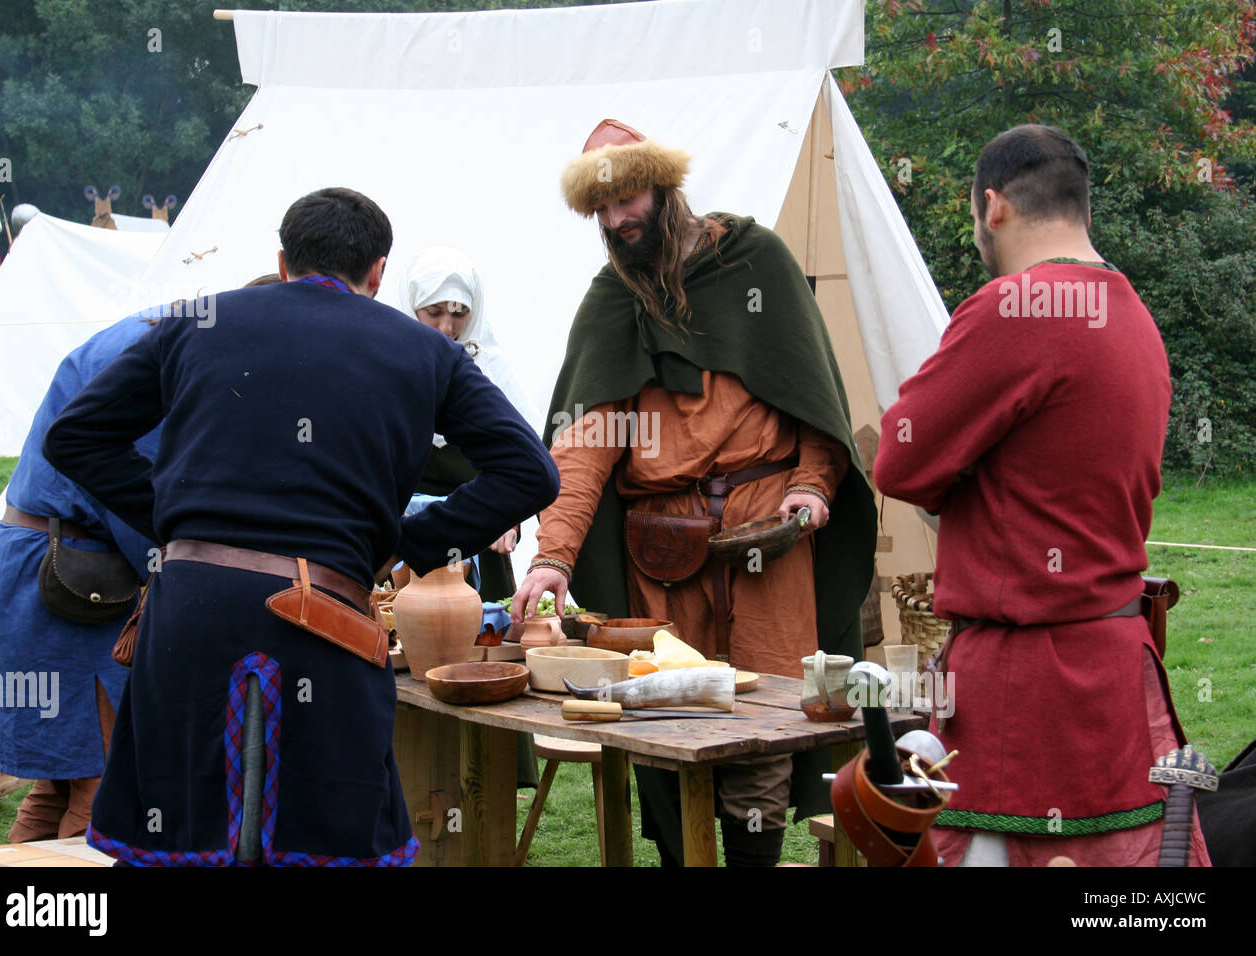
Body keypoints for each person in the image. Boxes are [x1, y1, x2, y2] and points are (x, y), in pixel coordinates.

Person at [44, 187, 559, 866]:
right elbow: (532, 474)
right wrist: (402, 544)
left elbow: (74, 436)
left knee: (179, 839)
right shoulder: (426, 351)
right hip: (326, 617)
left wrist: (182, 529)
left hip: (191, 617)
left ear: (282, 261)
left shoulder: (196, 322)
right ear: (379, 272)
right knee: (328, 844)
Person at [511, 119, 876, 866]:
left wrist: (810, 484)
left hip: (765, 533)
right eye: (601, 212)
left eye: (627, 198)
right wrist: (553, 557)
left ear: (663, 185)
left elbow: (814, 399)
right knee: (665, 714)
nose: (617, 220)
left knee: (766, 715)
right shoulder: (613, 300)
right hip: (661, 547)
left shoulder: (755, 262)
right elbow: (584, 443)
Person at [873, 124, 1210, 867]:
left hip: (1027, 688)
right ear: (1082, 209)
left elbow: (898, 462)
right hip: (1115, 664)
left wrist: (958, 478)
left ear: (992, 206)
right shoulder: (1135, 316)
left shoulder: (1014, 310)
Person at [0, 308, 164, 842]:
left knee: (60, 784)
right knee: (100, 787)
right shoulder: (162, 361)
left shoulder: (144, 332)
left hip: (33, 563)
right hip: (69, 577)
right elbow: (140, 496)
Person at [400, 246, 535, 600]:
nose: (447, 327)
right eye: (434, 312)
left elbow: (526, 460)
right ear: (411, 305)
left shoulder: (490, 369)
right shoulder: (391, 364)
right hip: (403, 541)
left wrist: (509, 515)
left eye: (459, 313)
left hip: (477, 530)